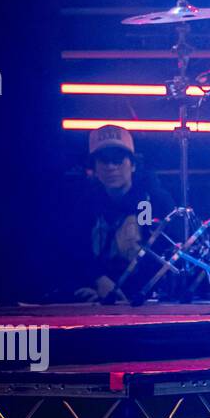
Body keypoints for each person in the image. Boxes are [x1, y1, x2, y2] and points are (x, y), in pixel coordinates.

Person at [65, 125, 176, 304]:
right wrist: (98, 280)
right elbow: (76, 250)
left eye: (118, 160)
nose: (111, 167)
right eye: (103, 160)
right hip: (96, 294)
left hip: (143, 297)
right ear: (93, 167)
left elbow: (159, 249)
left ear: (133, 165)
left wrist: (124, 291)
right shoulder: (83, 203)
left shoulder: (150, 201)